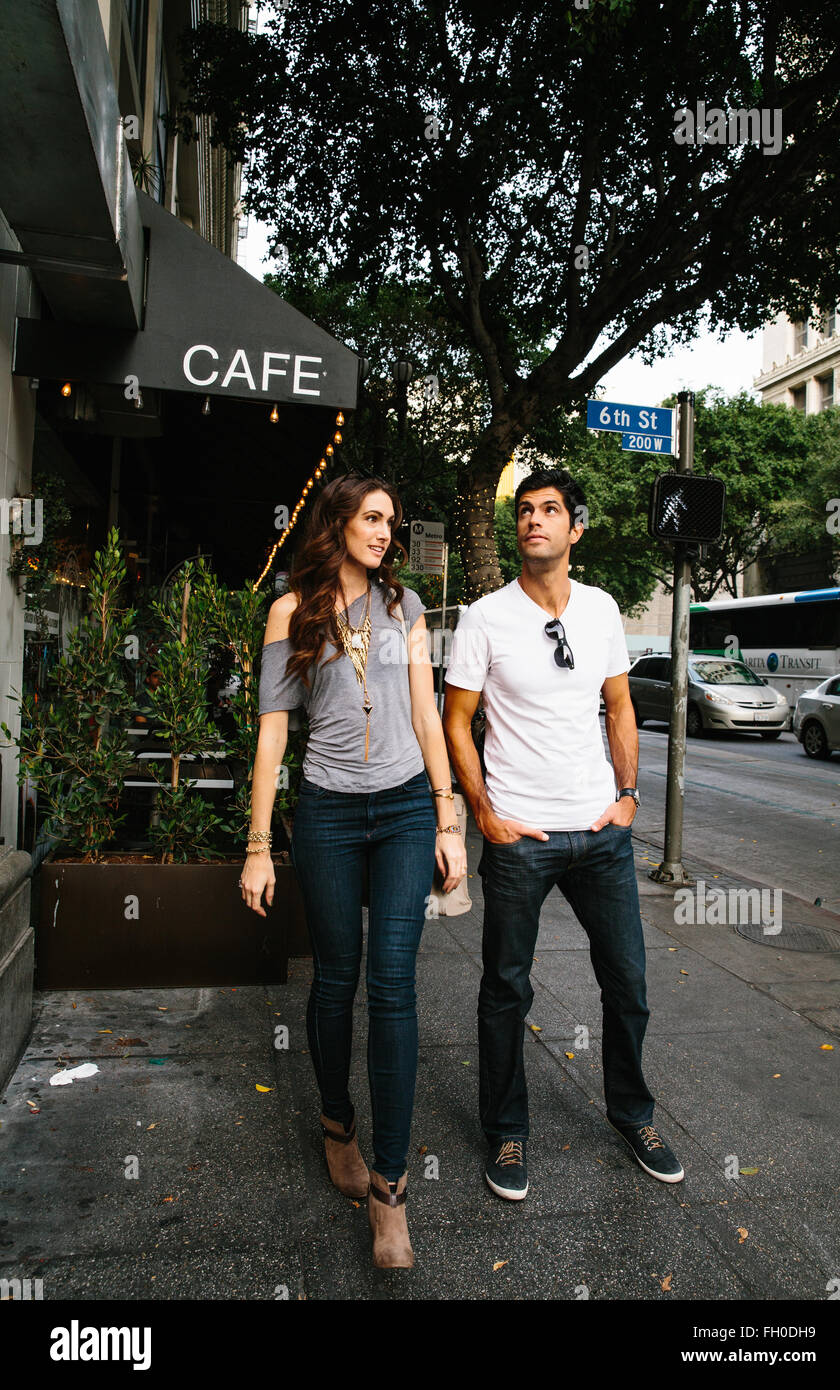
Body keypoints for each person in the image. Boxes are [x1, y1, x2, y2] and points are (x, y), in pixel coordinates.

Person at [240, 473, 467, 1268]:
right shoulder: (289, 613)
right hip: (330, 813)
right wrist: (259, 844)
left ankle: (392, 1191)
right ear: (336, 524)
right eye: (372, 519)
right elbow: (273, 731)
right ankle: (338, 1125)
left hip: (404, 808)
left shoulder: (404, 609)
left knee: (393, 982)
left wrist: (447, 816)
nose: (385, 532)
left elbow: (425, 712)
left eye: (392, 522)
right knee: (336, 980)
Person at [443, 467, 683, 1200]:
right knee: (506, 992)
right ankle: (507, 1135)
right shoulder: (486, 617)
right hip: (520, 838)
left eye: (549, 510)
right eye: (524, 510)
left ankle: (632, 1113)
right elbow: (457, 720)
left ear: (575, 529)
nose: (533, 520)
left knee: (629, 984)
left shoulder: (604, 608)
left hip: (599, 835)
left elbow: (618, 707)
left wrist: (628, 798)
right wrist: (483, 816)